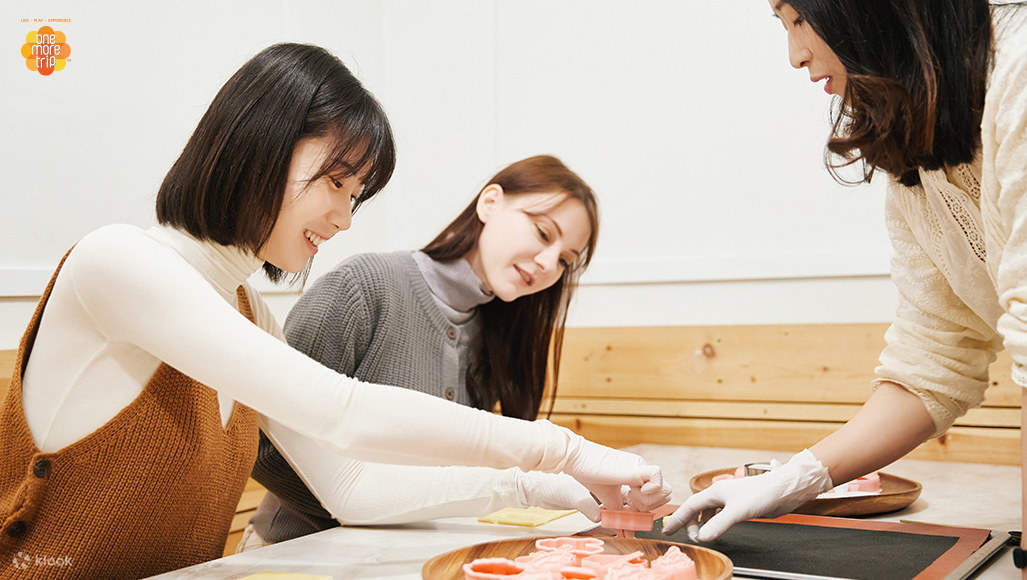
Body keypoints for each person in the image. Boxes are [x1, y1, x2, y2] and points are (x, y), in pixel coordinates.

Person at [0, 43, 667, 579]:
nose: (345, 217)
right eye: (338, 182)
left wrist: (545, 492)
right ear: (259, 141)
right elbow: (343, 413)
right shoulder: (115, 261)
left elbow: (351, 488)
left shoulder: (246, 309)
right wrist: (565, 452)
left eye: (358, 194)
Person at [665, 1, 1027, 564]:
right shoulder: (917, 159)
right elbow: (933, 360)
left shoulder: (1019, 69)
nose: (795, 55)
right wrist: (794, 479)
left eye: (798, 18)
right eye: (781, 26)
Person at [239, 155, 664, 549]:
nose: (549, 262)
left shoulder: (495, 332)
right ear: (490, 202)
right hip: (294, 554)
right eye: (542, 232)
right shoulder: (366, 286)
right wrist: (366, 507)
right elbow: (265, 445)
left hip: (409, 556)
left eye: (565, 260)